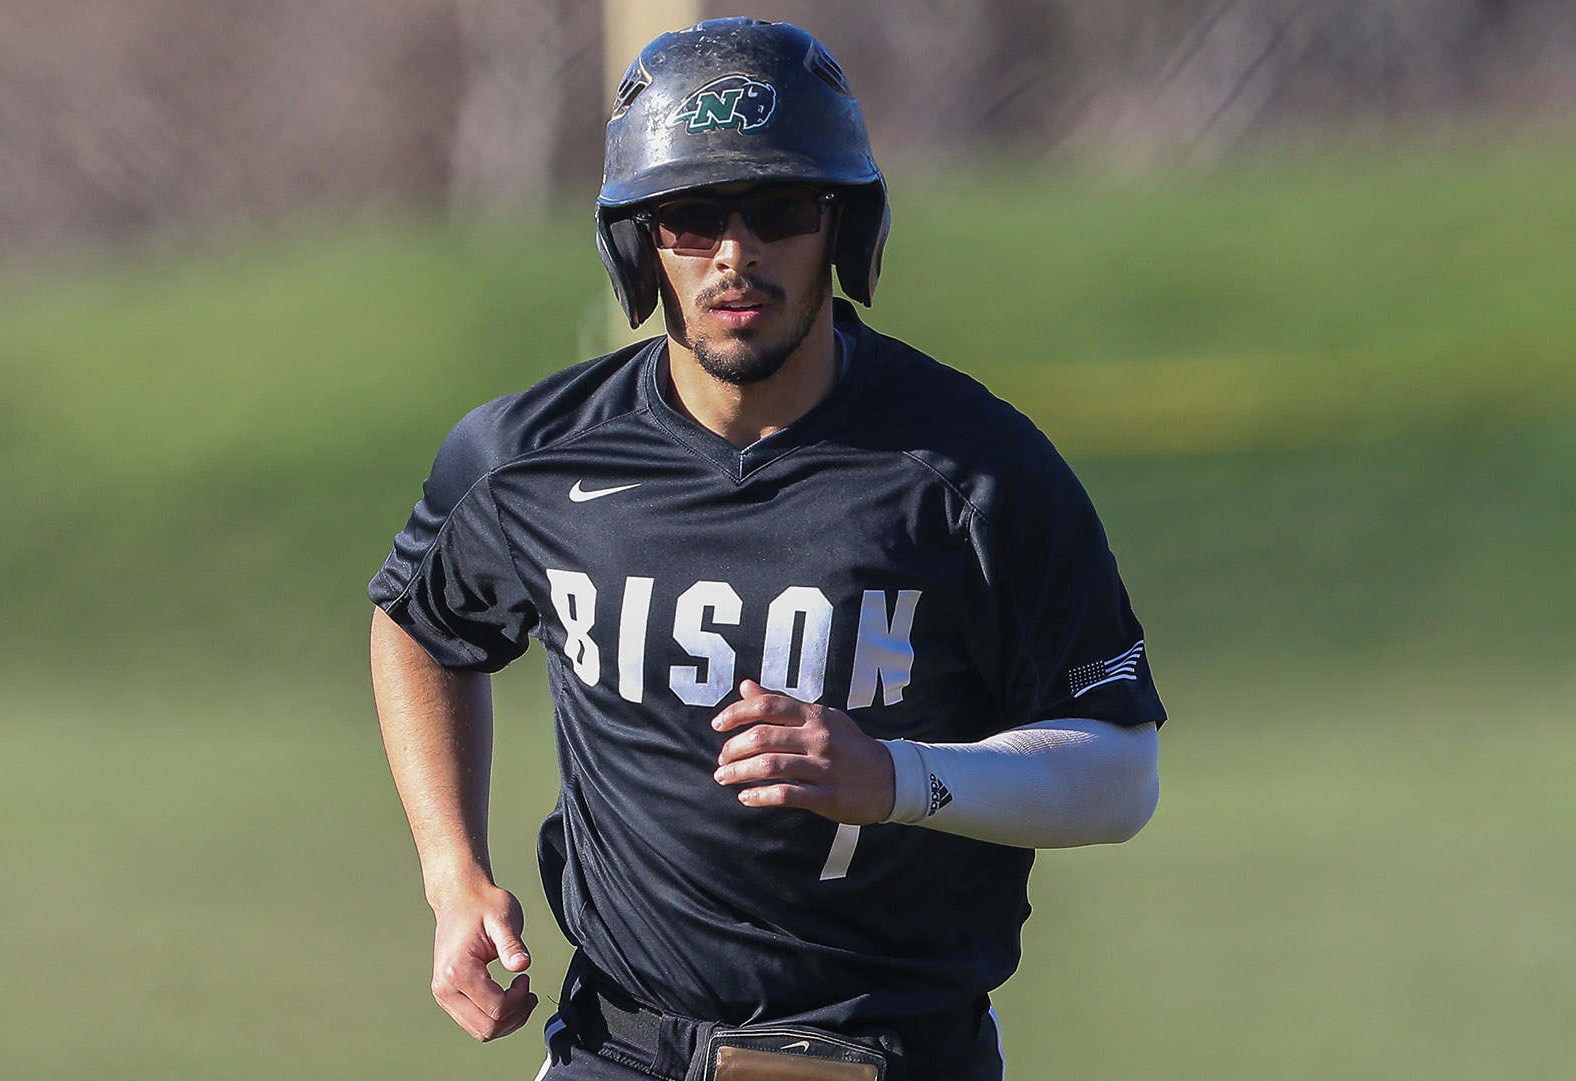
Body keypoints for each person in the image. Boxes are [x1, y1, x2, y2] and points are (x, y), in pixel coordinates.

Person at [369, 18, 1165, 1081]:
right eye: (692, 216)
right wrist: (451, 872)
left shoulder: (973, 468)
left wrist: (894, 775)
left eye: (780, 209)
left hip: (899, 1056)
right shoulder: (526, 457)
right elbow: (419, 626)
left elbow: (1119, 774)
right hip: (621, 1048)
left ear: (842, 227)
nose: (735, 254)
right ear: (639, 240)